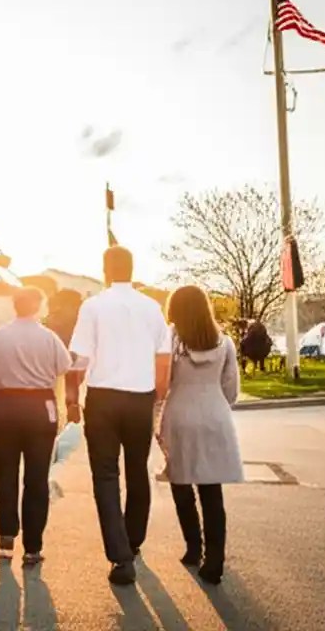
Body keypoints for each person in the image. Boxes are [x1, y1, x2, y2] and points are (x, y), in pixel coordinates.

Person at [67, 246, 172, 586]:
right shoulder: (153, 309)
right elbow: (163, 359)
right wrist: (156, 396)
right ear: (132, 267)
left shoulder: (93, 306)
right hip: (140, 398)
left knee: (106, 477)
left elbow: (79, 359)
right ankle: (133, 539)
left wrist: (71, 391)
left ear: (105, 269)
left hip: (103, 400)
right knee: (137, 470)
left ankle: (120, 556)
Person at [0, 287, 72, 565]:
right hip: (39, 409)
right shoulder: (49, 337)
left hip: (5, 406)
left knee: (5, 473)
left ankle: (7, 538)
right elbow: (64, 368)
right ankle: (33, 546)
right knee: (36, 477)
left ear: (15, 306)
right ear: (38, 305)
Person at [161, 285, 244, 585]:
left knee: (181, 484)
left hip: (180, 415)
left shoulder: (171, 340)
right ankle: (215, 560)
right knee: (211, 492)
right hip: (214, 416)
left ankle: (193, 547)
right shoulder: (224, 342)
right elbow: (231, 390)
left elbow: (163, 381)